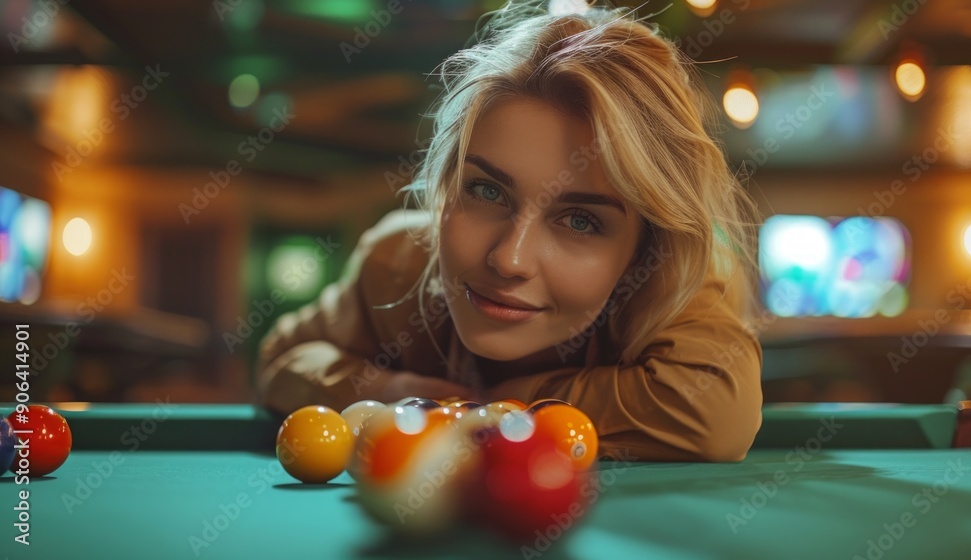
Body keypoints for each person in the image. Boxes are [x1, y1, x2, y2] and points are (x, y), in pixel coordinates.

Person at [257, 1, 762, 462]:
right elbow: (283, 360)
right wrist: (395, 392)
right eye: (487, 192)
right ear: (448, 183)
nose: (509, 259)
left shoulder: (677, 284)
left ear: (644, 249)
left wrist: (462, 411)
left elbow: (716, 417)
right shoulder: (398, 258)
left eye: (581, 221)